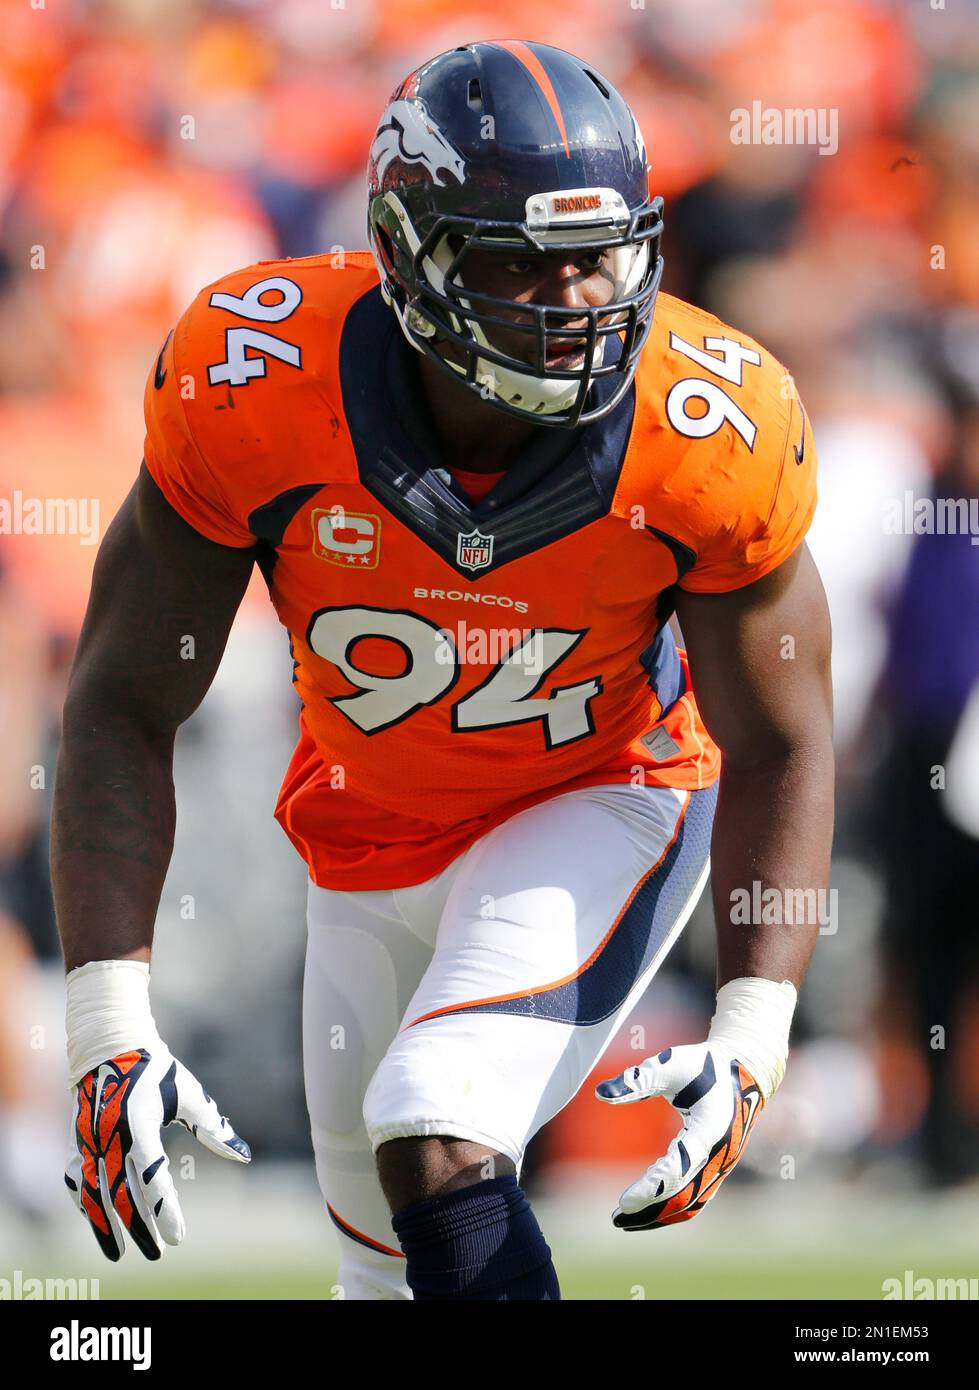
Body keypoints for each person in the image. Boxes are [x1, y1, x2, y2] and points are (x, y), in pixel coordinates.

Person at [52, 40, 833, 1300]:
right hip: (366, 833)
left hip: (603, 794)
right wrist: (107, 1020)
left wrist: (753, 1021)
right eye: (523, 258)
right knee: (389, 1276)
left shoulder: (707, 433)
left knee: (434, 1116)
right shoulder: (258, 386)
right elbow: (122, 698)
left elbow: (784, 735)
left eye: (599, 253)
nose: (577, 296)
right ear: (411, 248)